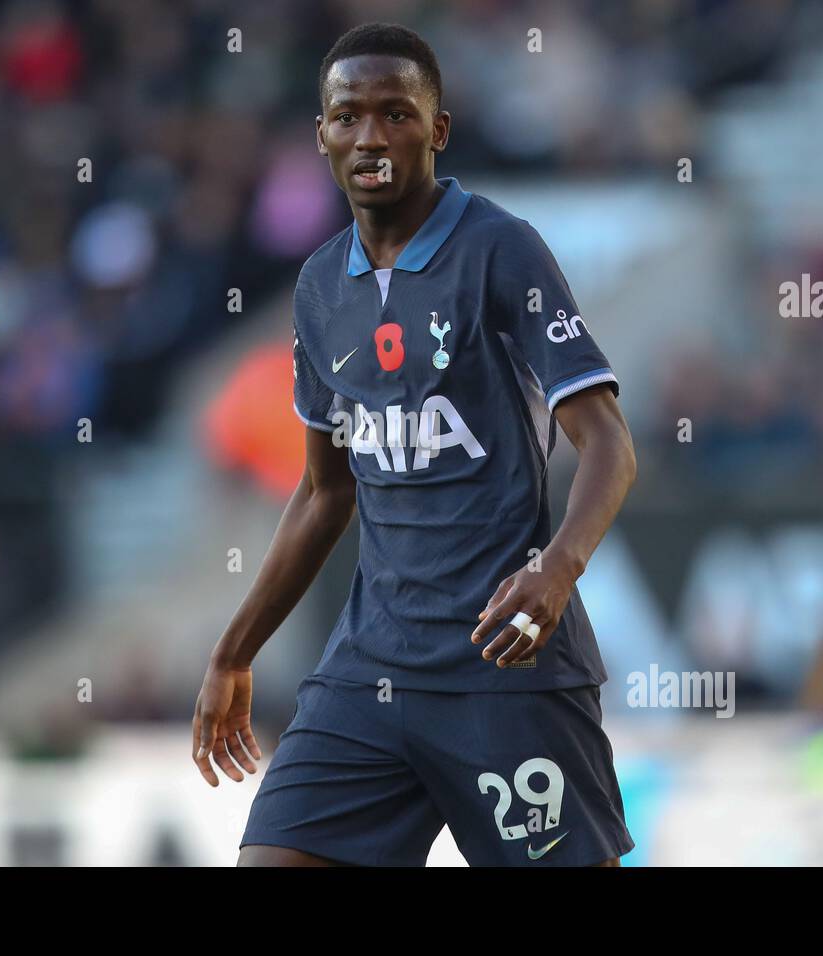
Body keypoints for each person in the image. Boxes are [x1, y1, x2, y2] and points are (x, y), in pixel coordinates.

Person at [193, 22, 637, 866]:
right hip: (369, 670)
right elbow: (326, 491)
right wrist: (234, 651)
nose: (370, 135)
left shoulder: (500, 250)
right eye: (347, 116)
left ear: (437, 129)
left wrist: (558, 568)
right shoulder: (322, 285)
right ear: (321, 134)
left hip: (502, 669)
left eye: (395, 113)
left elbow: (609, 441)